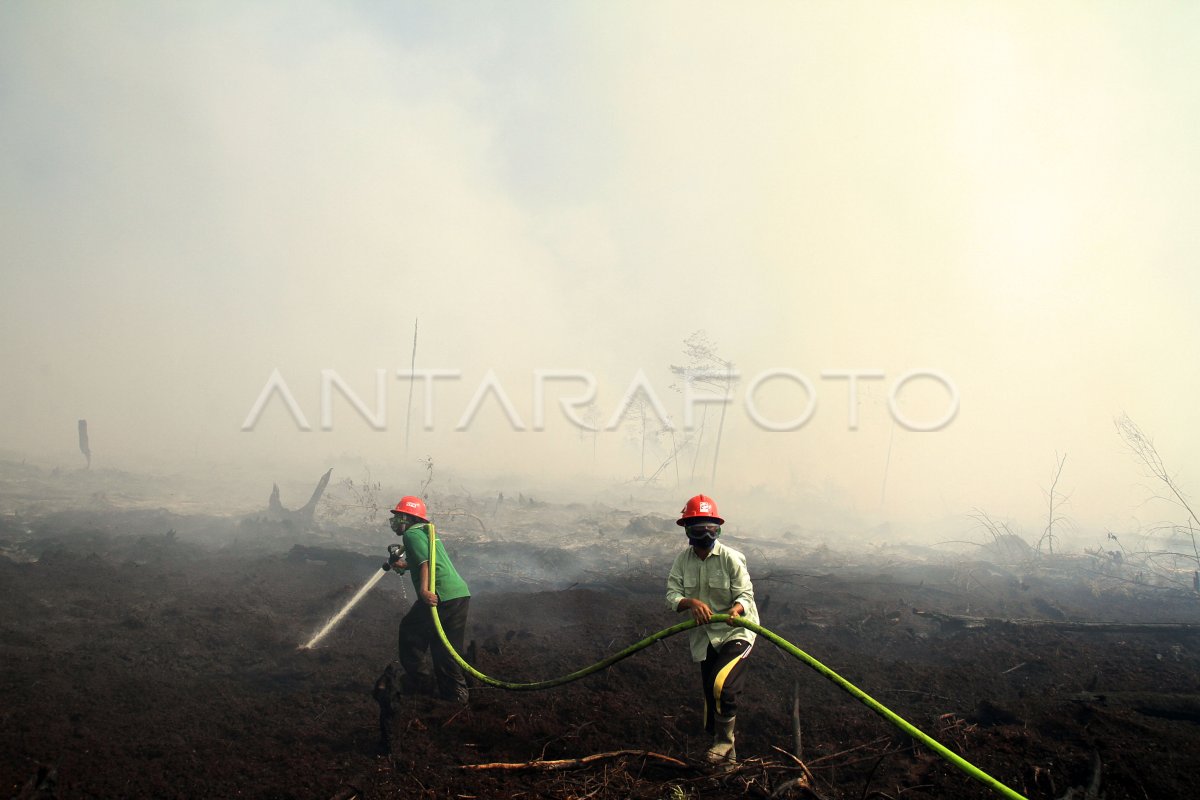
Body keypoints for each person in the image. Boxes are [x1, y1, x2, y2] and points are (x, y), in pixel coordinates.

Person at [665, 494, 759, 765]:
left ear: (718, 530)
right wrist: (690, 603)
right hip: (705, 635)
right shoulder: (682, 562)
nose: (706, 536)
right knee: (711, 693)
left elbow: (746, 594)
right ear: (687, 531)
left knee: (722, 685)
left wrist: (736, 610)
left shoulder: (731, 558)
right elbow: (671, 595)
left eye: (712, 530)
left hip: (736, 631)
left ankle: (725, 741)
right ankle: (728, 763)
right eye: (699, 530)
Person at [386, 495, 471, 704]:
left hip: (438, 595)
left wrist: (424, 591)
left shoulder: (411, 535)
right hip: (458, 594)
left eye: (399, 517)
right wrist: (404, 565)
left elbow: (425, 563)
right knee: (447, 649)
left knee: (410, 632)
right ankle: (456, 696)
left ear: (409, 518)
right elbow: (426, 560)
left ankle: (422, 683)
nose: (395, 522)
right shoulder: (426, 532)